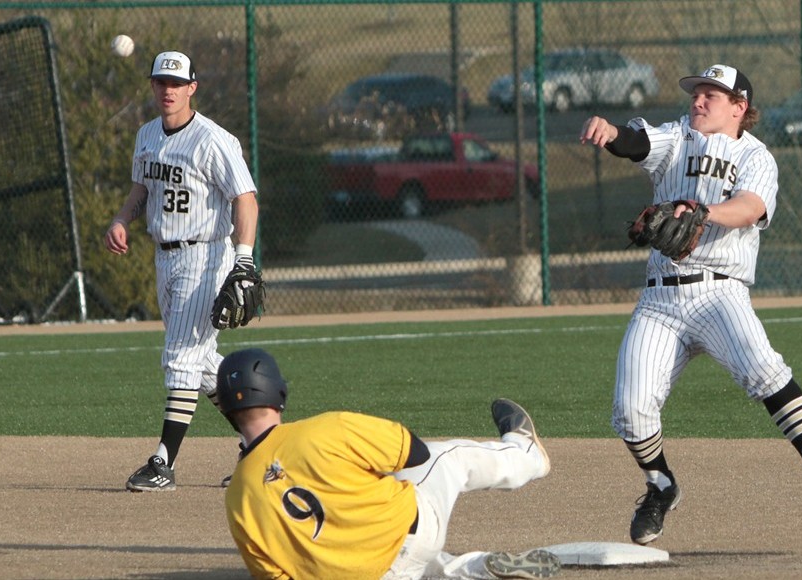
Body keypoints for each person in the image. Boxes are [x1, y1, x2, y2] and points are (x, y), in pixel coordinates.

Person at [579, 64, 802, 544]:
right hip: (660, 298)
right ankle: (661, 486)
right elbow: (637, 143)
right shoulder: (678, 137)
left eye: (711, 94)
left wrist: (705, 212)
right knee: (630, 410)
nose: (698, 100)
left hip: (720, 292)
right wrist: (611, 134)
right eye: (697, 92)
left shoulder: (756, 156)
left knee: (764, 370)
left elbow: (751, 207)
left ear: (738, 107)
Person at [217, 347, 561, 579]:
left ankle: (475, 567)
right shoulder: (324, 430)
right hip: (412, 532)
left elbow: (274, 575)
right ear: (278, 392)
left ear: (227, 411)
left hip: (379, 575)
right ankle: (526, 452)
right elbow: (415, 451)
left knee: (404, 565)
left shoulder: (237, 499)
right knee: (446, 458)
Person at [104, 50, 259, 492]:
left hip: (205, 256)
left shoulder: (213, 140)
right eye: (161, 82)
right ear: (153, 86)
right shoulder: (147, 134)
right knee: (203, 364)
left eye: (176, 83)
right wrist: (121, 218)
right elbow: (142, 188)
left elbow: (246, 199)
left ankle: (163, 462)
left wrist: (244, 259)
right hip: (165, 256)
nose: (168, 90)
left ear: (192, 88)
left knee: (181, 358)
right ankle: (266, 445)